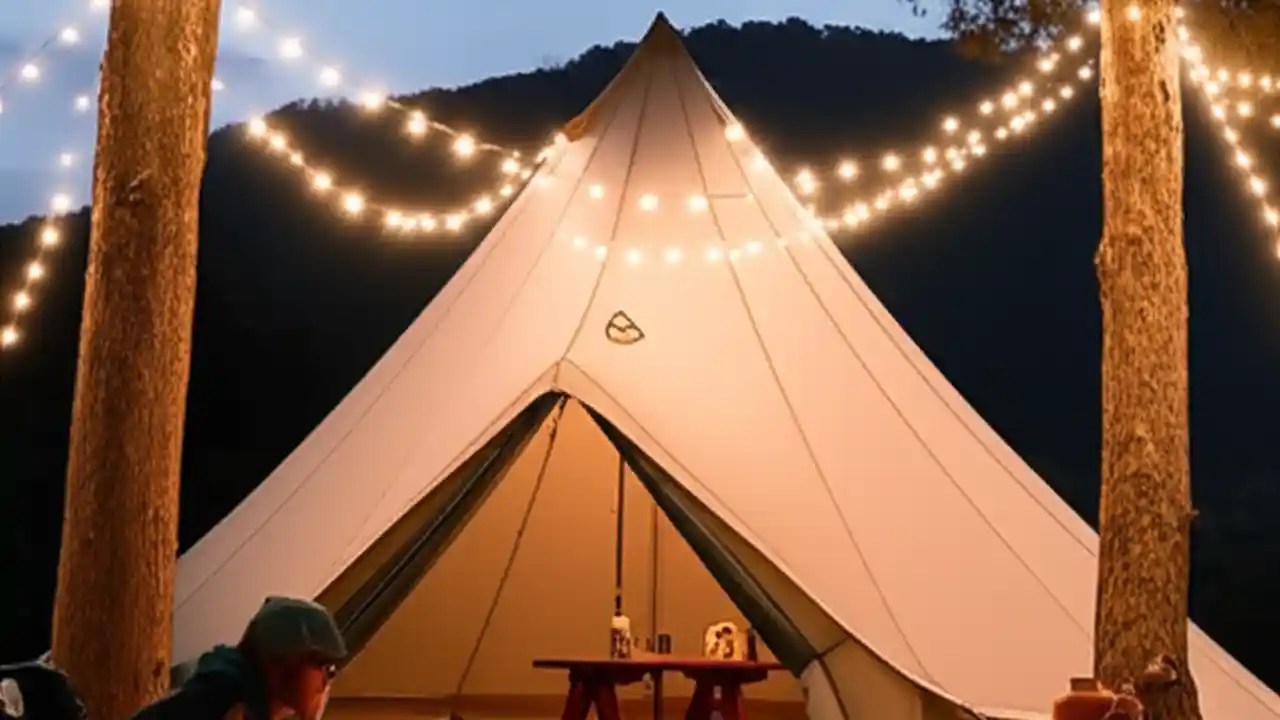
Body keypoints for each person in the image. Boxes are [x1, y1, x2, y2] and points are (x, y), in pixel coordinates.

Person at [131, 596, 347, 720]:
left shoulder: (238, 691)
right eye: (326, 669)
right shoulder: (223, 697)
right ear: (287, 659)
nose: (325, 684)